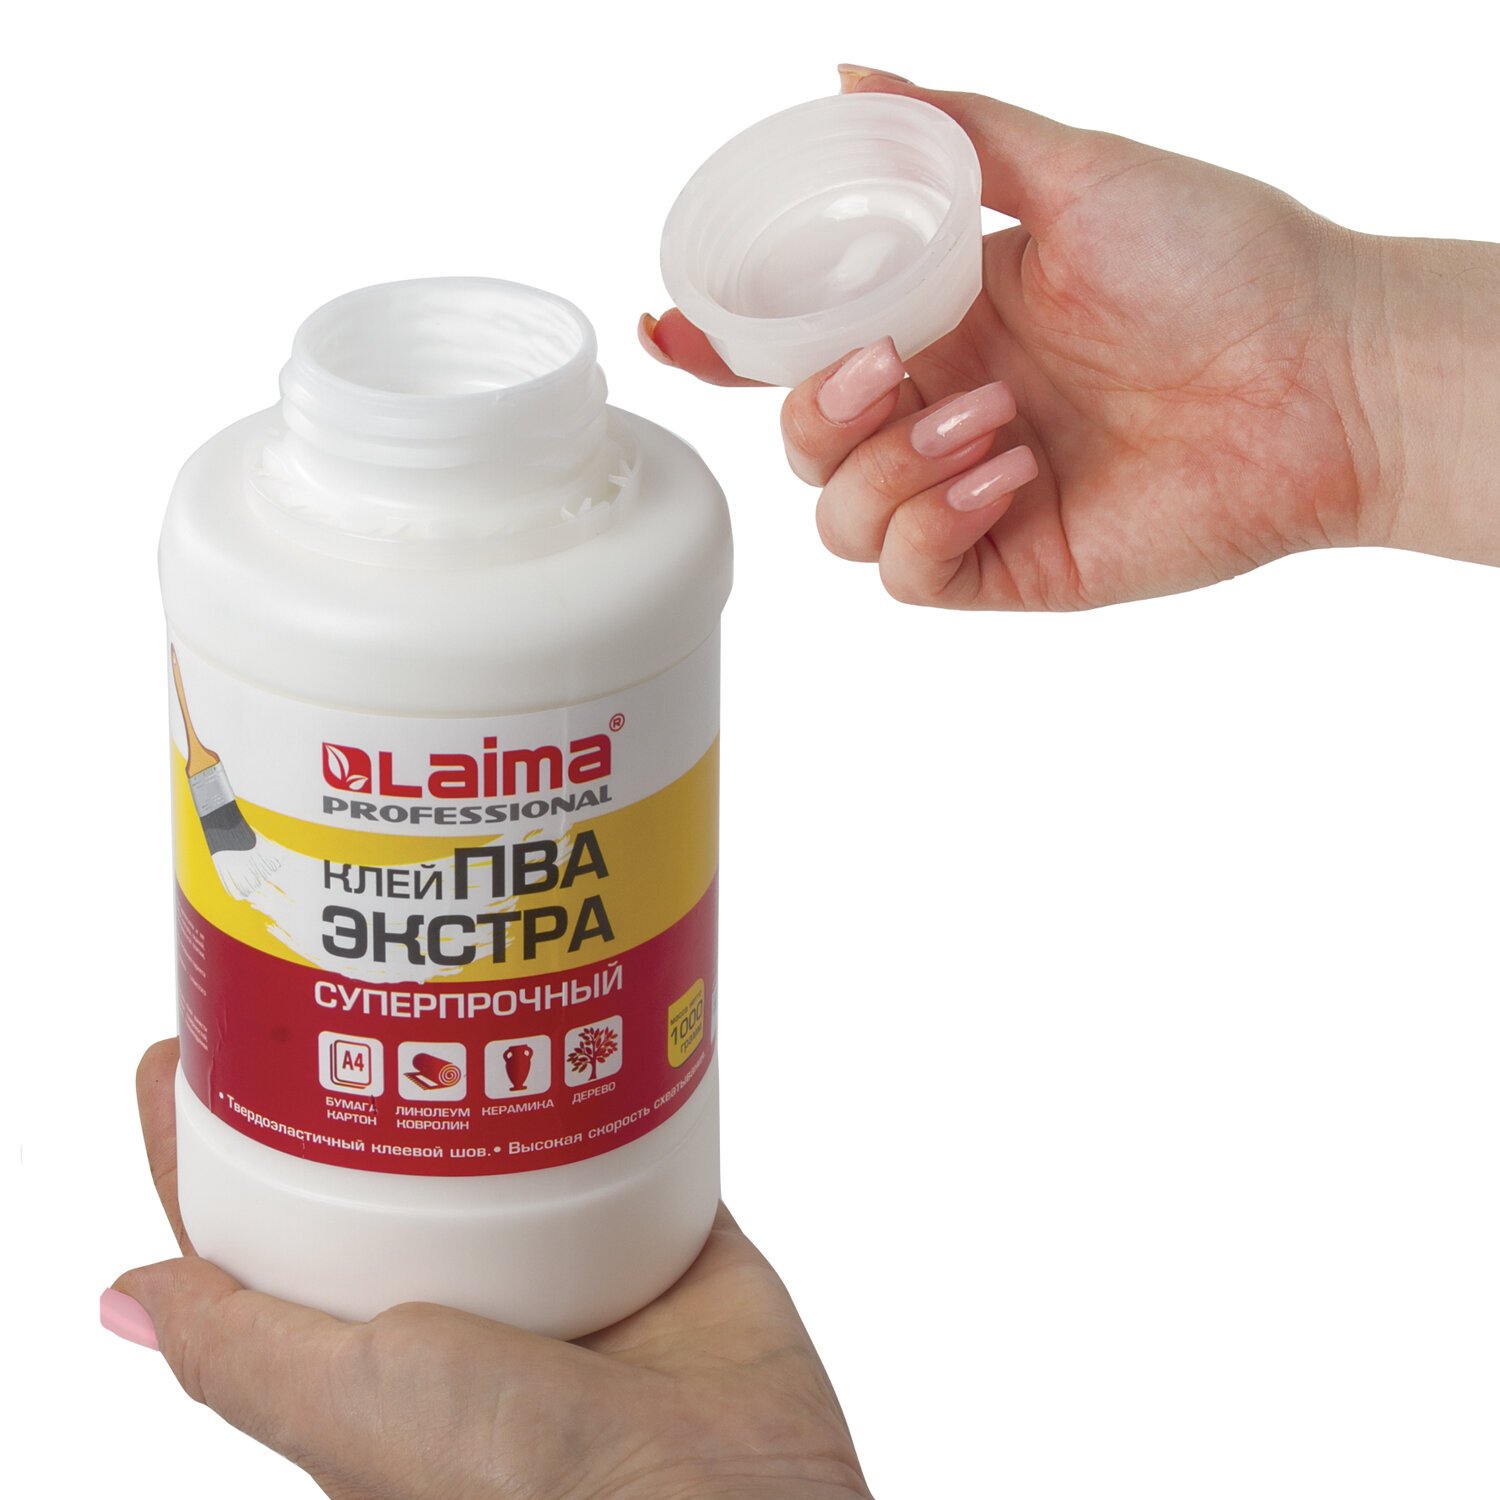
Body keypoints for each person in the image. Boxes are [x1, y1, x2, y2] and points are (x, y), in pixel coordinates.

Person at [102, 65, 1499, 1500]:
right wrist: (1349, 370)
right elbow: (260, 869)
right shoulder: (233, 535)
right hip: (327, 1128)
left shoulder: (618, 532)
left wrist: (1358, 371)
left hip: (602, 1147)